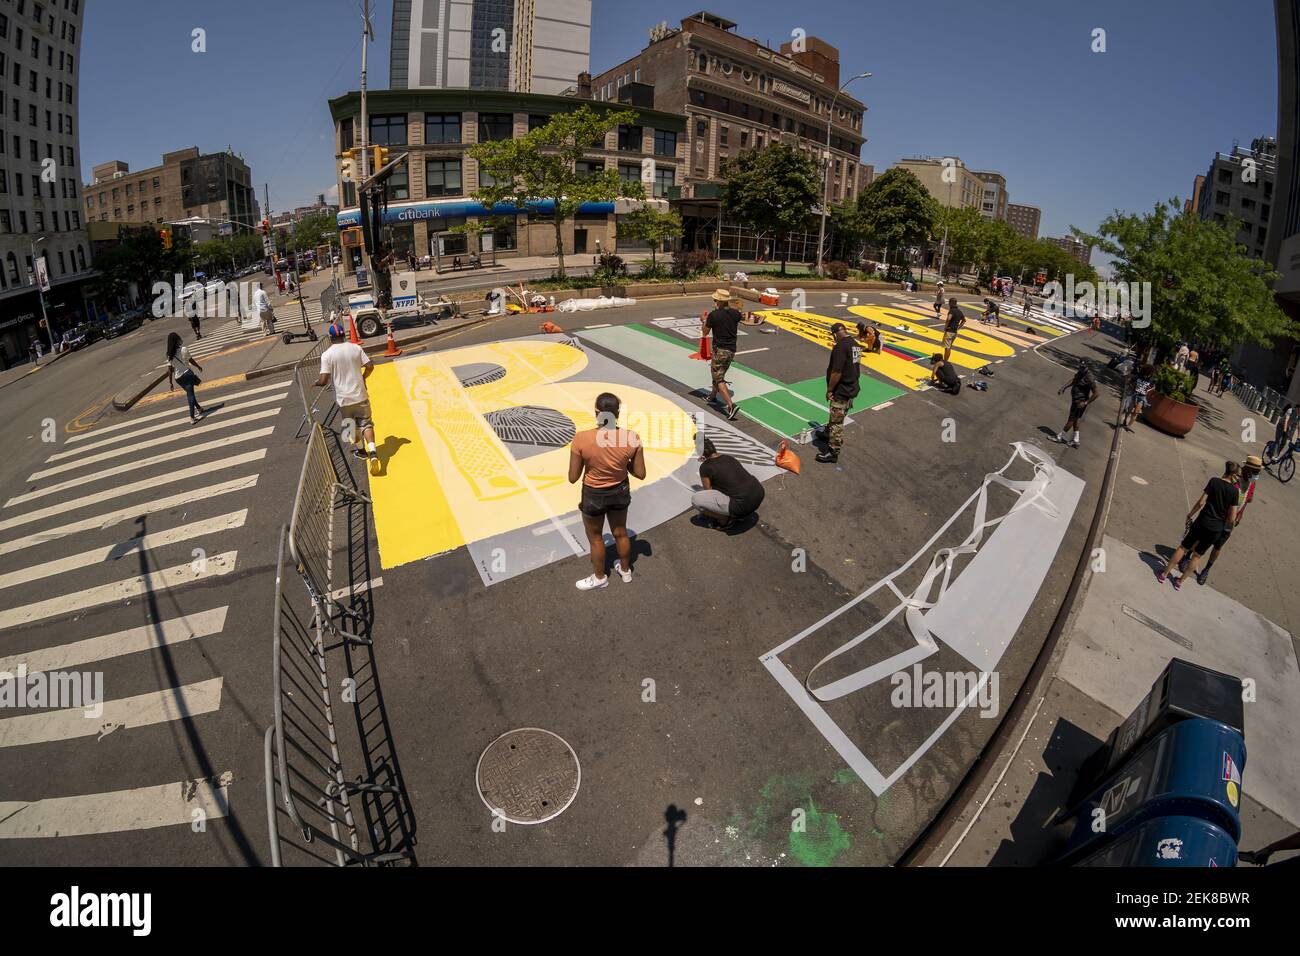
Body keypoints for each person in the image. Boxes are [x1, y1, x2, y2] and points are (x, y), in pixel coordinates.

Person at [568, 392, 646, 591]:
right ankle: (626, 571)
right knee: (620, 533)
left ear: (596, 412)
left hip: (594, 494)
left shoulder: (581, 439)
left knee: (596, 538)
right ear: (618, 413)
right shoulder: (632, 437)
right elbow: (640, 473)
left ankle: (600, 577)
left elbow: (573, 477)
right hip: (619, 490)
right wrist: (623, 464)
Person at [1157, 461, 1241, 590]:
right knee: (1197, 555)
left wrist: (1190, 514)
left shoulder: (1214, 481)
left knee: (1184, 547)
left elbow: (1201, 502)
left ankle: (1164, 574)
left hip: (1202, 522)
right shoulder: (1234, 492)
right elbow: (1232, 517)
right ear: (1234, 475)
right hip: (1216, 529)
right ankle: (1179, 582)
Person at [316, 323, 381, 476]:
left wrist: (317, 383)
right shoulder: (355, 348)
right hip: (360, 395)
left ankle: (361, 451)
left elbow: (324, 380)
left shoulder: (327, 355)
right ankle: (373, 453)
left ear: (330, 337)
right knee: (366, 424)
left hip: (343, 399)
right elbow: (370, 366)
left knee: (351, 426)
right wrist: (363, 378)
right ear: (344, 335)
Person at [1185, 456, 1261, 587]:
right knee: (1201, 538)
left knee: (1218, 546)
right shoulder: (1233, 478)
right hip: (1218, 517)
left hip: (1231, 521)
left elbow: (1249, 499)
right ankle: (1187, 557)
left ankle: (1207, 569)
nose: (1257, 476)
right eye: (1256, 473)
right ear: (1248, 470)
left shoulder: (1252, 483)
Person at [691, 436, 765, 529]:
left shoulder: (705, 467)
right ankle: (737, 514)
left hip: (742, 506)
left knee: (696, 500)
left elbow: (708, 492)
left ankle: (724, 519)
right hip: (758, 494)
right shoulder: (729, 457)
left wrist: (704, 465)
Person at [817, 323, 864, 464]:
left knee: (836, 420)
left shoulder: (840, 347)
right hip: (852, 388)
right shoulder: (855, 344)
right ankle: (828, 434)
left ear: (835, 334)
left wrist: (830, 389)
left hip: (842, 390)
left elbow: (837, 372)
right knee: (840, 415)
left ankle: (833, 452)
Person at [703, 288, 742, 420]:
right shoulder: (735, 313)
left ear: (718, 301)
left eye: (715, 300)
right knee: (719, 373)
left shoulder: (713, 315)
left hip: (720, 350)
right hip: (731, 351)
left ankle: (731, 406)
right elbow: (738, 315)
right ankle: (712, 397)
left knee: (718, 378)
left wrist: (704, 320)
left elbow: (705, 332)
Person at [1054, 359, 1098, 448]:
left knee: (1071, 419)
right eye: (1080, 366)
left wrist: (1085, 403)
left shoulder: (1089, 377)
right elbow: (1074, 380)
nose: (1081, 368)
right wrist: (1064, 387)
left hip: (1080, 402)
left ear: (1088, 367)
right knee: (1076, 420)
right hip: (1076, 400)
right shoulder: (1081, 372)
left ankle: (1059, 437)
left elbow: (1096, 394)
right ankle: (1076, 441)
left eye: (1083, 367)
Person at [165, 331, 207, 423]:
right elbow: (190, 360)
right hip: (187, 374)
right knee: (190, 395)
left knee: (189, 393)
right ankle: (192, 417)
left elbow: (169, 370)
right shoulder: (183, 349)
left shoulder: (169, 355)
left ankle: (199, 409)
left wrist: (170, 382)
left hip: (178, 378)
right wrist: (198, 366)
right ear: (177, 340)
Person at [1121, 364, 1154, 431]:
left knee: (1136, 412)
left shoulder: (1151, 380)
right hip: (1134, 395)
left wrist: (1148, 390)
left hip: (1142, 397)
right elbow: (1129, 381)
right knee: (1129, 409)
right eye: (1147, 373)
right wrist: (1132, 386)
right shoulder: (1138, 376)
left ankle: (1129, 426)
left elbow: (1154, 387)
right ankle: (1125, 419)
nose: (1148, 375)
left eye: (1149, 374)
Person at [941, 296, 965, 361]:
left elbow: (949, 318)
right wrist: (958, 327)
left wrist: (945, 327)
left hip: (949, 331)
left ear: (951, 303)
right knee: (949, 347)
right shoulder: (959, 311)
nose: (949, 304)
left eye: (949, 303)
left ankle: (945, 361)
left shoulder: (952, 311)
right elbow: (964, 320)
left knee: (947, 348)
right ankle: (946, 360)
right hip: (955, 332)